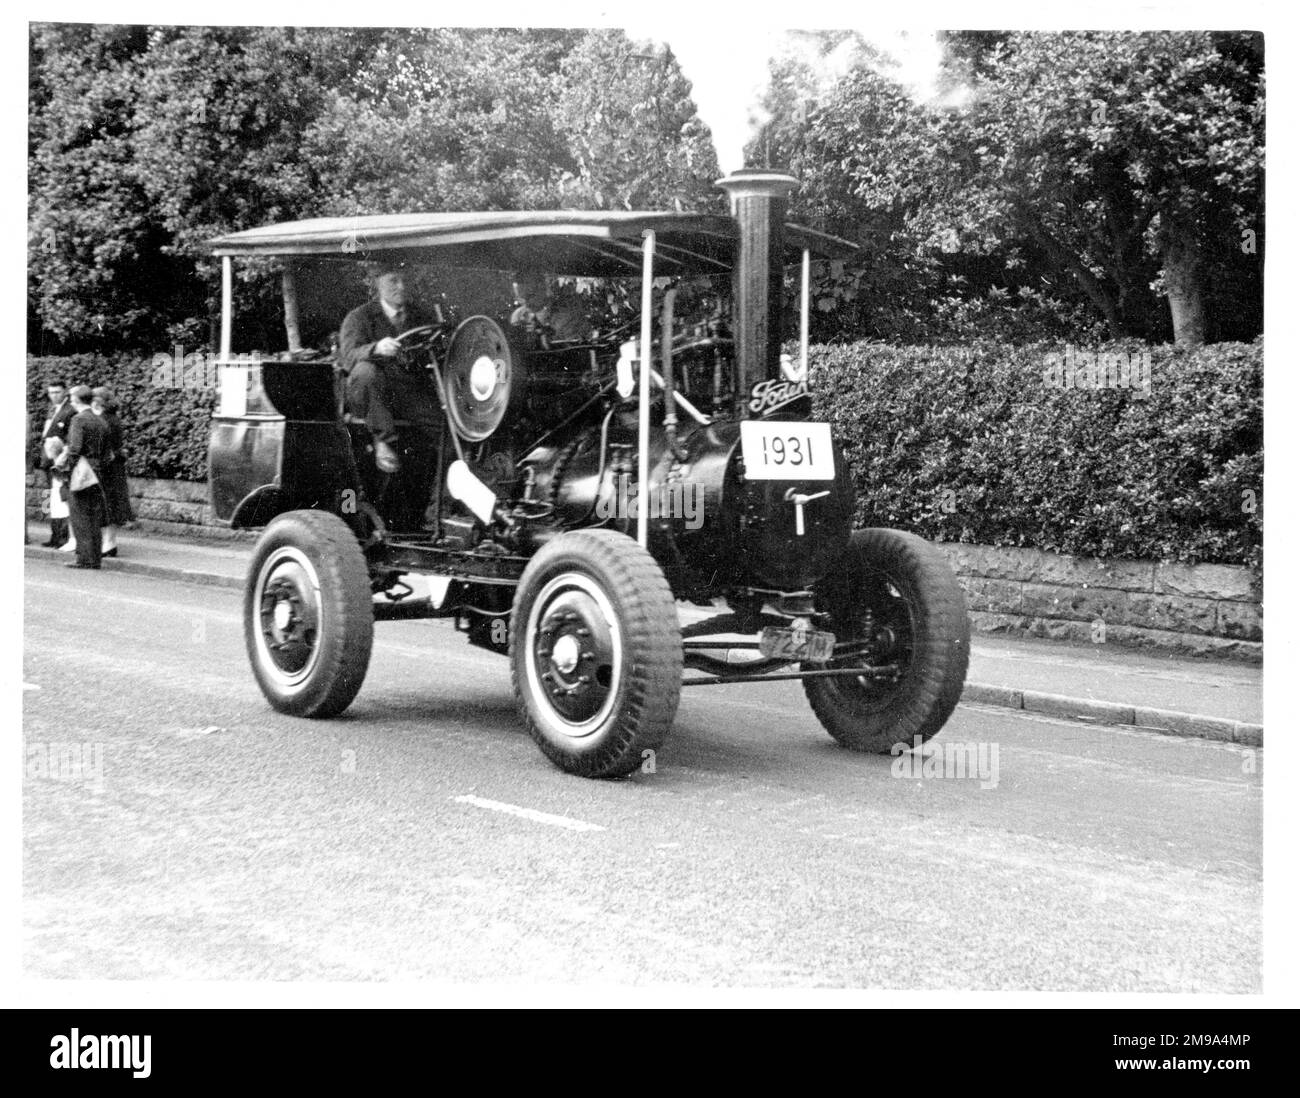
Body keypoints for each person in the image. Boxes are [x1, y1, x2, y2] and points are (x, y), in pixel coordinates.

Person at [338, 261, 443, 530]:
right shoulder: (359, 317)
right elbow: (348, 357)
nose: (401, 286)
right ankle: (383, 439)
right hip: (373, 395)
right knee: (365, 371)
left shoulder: (421, 316)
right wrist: (375, 348)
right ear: (377, 284)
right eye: (393, 281)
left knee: (447, 433)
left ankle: (436, 512)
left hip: (409, 392)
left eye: (404, 280)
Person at [52, 385, 111, 569]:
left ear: (76, 400)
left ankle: (85, 559)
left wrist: (65, 468)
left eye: (71, 397)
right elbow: (107, 452)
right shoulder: (100, 420)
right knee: (94, 516)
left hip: (80, 472)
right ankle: (95, 558)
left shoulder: (78, 419)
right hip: (97, 471)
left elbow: (75, 448)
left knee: (80, 516)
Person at [91, 386, 134, 557]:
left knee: (107, 503)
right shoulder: (113, 418)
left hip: (107, 467)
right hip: (114, 466)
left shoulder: (103, 419)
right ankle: (110, 542)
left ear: (98, 402)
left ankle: (107, 543)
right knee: (112, 504)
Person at [37, 381, 75, 547]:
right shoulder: (53, 409)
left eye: (57, 392)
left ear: (65, 392)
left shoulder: (69, 411)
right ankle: (55, 535)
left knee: (61, 498)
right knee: (51, 499)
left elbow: (69, 437)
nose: (54, 396)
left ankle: (62, 536)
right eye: (51, 393)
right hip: (48, 459)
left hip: (59, 461)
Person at [509, 271, 591, 345]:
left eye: (530, 296)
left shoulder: (566, 313)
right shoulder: (518, 316)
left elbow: (576, 345)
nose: (527, 304)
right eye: (522, 298)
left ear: (543, 288)